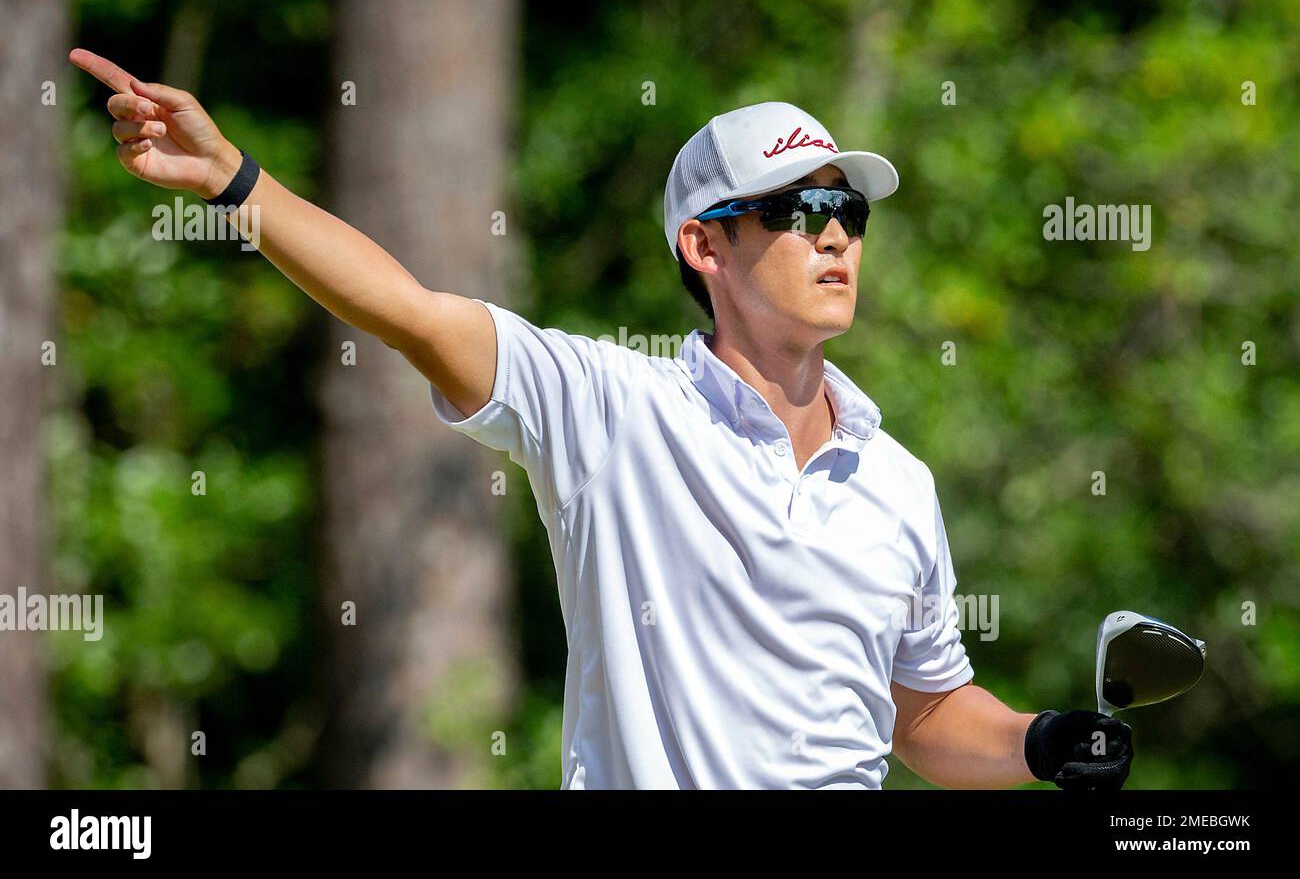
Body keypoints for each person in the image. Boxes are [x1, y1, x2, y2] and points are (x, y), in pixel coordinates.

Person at [69, 49, 1133, 790]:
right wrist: (230, 178)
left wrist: (1042, 741)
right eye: (798, 211)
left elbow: (923, 715)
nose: (836, 237)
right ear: (702, 246)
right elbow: (403, 307)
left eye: (846, 210)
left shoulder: (899, 481)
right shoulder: (610, 406)